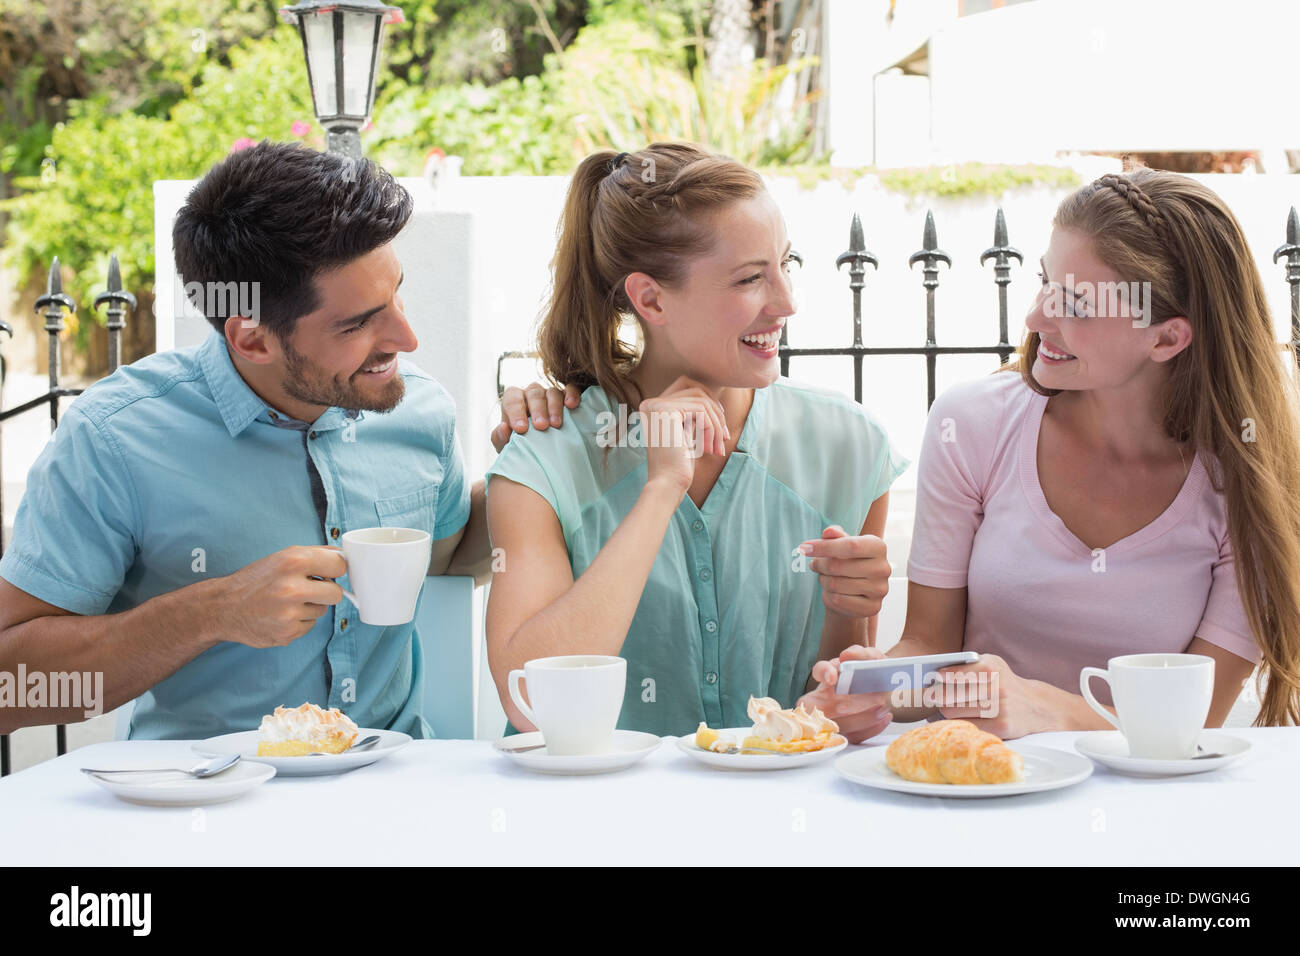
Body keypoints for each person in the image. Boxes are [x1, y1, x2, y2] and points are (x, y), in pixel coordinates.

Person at [0, 140, 568, 739]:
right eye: (357, 323)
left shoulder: (418, 409)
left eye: (396, 294)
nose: (406, 336)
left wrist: (541, 460)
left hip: (399, 798)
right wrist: (211, 612)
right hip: (205, 812)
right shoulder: (114, 438)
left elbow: (448, 554)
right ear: (251, 339)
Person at [803, 169, 1300, 739]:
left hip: (1150, 805)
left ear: (1165, 338)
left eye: (1078, 305)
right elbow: (930, 646)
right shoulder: (972, 425)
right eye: (1045, 282)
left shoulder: (1252, 482)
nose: (1036, 318)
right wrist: (883, 682)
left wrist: (1049, 711)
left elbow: (1195, 721)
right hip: (979, 784)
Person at [485, 143, 907, 738]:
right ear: (651, 298)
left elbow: (839, 705)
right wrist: (662, 488)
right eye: (750, 279)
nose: (787, 302)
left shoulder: (848, 446)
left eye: (787, 265)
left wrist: (849, 620)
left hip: (778, 810)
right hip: (593, 817)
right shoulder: (546, 456)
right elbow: (528, 703)